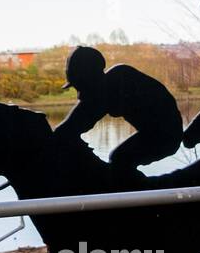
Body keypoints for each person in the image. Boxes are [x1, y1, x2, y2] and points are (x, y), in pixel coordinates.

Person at [56, 46, 183, 175]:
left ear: (93, 78)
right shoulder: (110, 83)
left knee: (119, 159)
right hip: (157, 131)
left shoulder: (118, 84)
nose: (80, 95)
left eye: (81, 86)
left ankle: (136, 189)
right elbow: (72, 125)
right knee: (119, 159)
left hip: (166, 134)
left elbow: (74, 124)